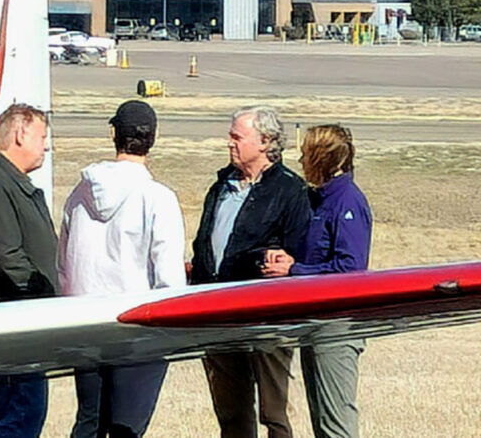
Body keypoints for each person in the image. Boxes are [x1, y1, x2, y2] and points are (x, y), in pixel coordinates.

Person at [58, 100, 185, 438]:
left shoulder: (79, 195)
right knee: (126, 429)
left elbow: (64, 267)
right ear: (152, 140)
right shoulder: (158, 198)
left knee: (88, 422)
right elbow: (170, 278)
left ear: (113, 134)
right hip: (137, 330)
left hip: (86, 325)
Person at [191, 106, 311, 438]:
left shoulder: (290, 191)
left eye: (236, 137)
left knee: (274, 414)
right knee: (231, 415)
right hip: (218, 314)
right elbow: (203, 242)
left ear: (266, 141)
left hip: (266, 317)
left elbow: (298, 254)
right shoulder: (221, 187)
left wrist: (276, 262)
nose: (229, 143)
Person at [261, 124, 371, 438]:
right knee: (320, 419)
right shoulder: (317, 199)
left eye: (307, 154)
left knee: (335, 423)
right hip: (313, 319)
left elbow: (350, 270)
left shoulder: (347, 201)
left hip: (337, 326)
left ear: (321, 159)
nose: (301, 160)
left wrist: (295, 271)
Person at [0, 102, 56, 438]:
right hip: (15, 322)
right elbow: (4, 253)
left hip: (25, 320)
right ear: (20, 134)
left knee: (26, 407)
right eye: (42, 136)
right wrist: (43, 291)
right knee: (18, 410)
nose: (46, 145)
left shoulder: (10, 183)